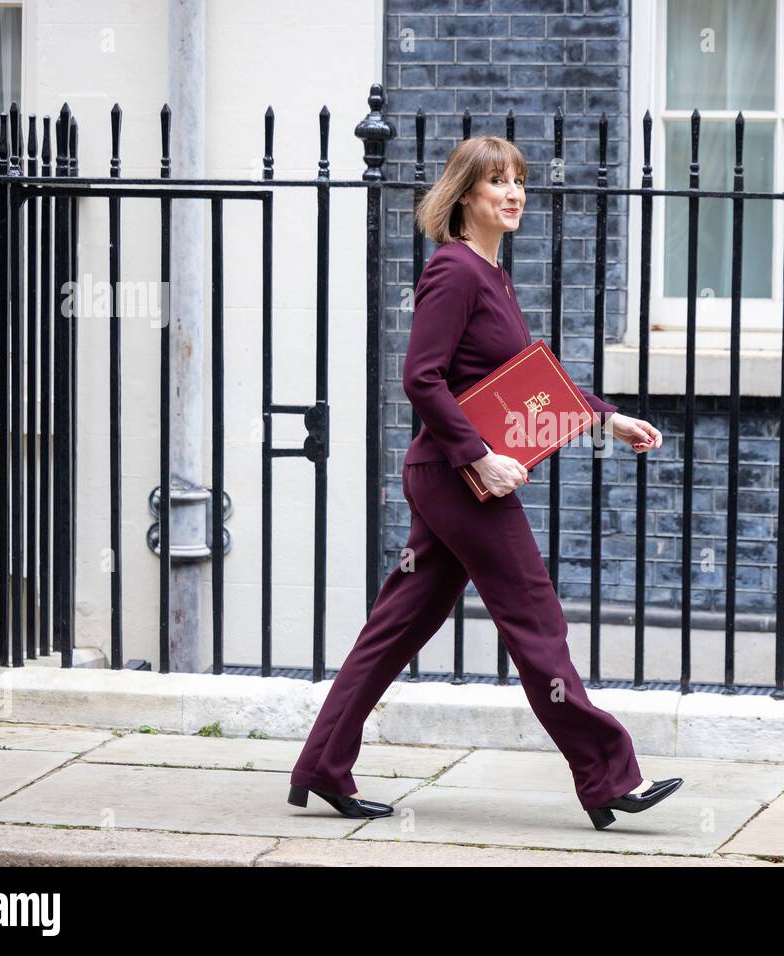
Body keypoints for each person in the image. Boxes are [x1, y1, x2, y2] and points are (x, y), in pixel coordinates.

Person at [287, 134, 683, 831]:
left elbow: (525, 388)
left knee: (394, 629)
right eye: (497, 180)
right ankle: (608, 776)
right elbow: (421, 377)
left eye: (519, 180)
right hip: (455, 481)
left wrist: (608, 420)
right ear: (465, 194)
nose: (514, 192)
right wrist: (476, 457)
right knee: (534, 616)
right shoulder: (455, 271)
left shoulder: (493, 277)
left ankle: (321, 766)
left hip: (452, 478)